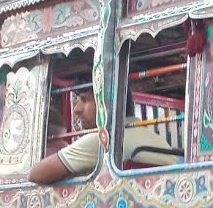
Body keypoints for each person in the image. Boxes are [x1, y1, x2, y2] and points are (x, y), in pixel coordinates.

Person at [29, 78, 180, 184]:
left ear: (106, 104)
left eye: (85, 100)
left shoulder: (101, 140)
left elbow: (35, 174)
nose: (77, 110)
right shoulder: (157, 140)